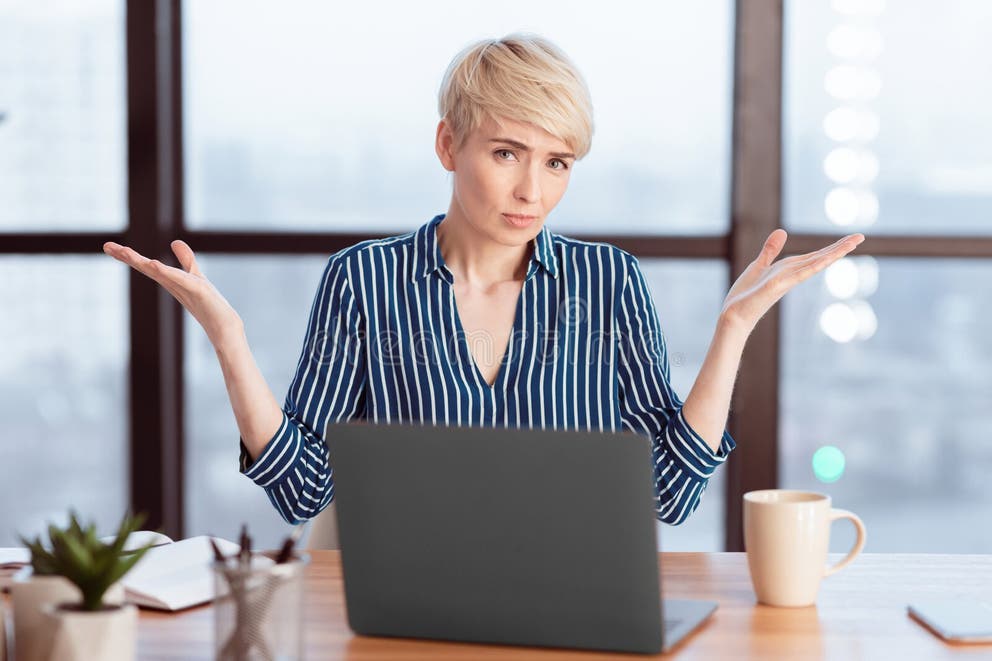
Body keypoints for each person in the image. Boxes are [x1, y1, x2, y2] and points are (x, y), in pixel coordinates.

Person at [104, 34, 864, 527]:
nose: (532, 190)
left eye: (557, 162)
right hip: (412, 612)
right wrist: (229, 338)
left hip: (577, 608)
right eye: (506, 153)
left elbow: (669, 492)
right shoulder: (364, 281)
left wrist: (733, 329)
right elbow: (304, 491)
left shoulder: (609, 283)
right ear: (449, 145)